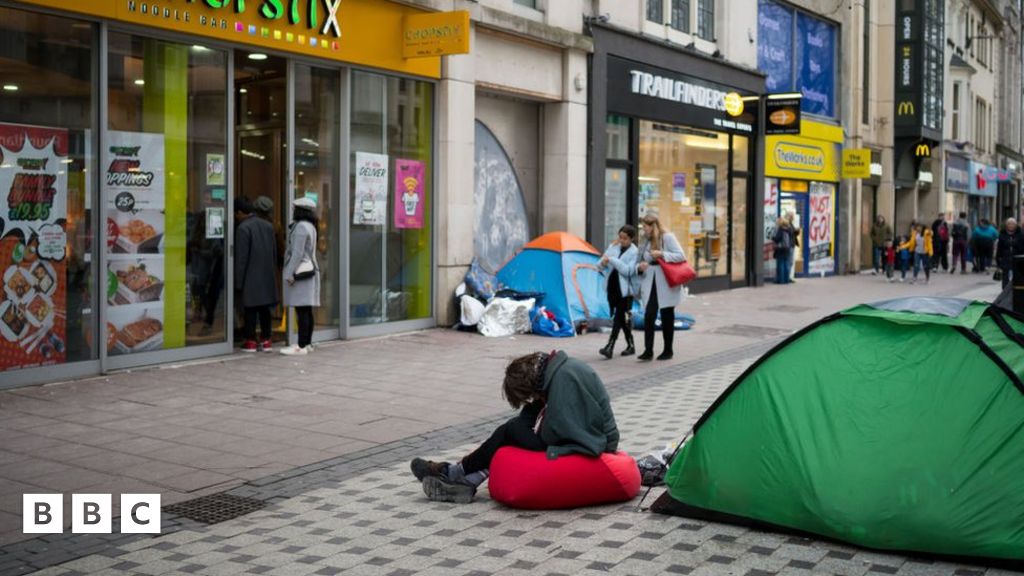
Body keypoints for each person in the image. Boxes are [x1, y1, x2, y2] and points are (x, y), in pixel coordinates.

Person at [410, 350, 620, 503]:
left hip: (594, 444)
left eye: (529, 394)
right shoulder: (558, 370)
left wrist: (534, 430)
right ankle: (466, 479)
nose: (533, 398)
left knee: (510, 431)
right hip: (591, 433)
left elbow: (563, 432)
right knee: (522, 421)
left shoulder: (563, 382)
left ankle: (455, 472)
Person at [636, 215, 686, 361]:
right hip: (650, 280)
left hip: (666, 280)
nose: (643, 229)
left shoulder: (667, 237)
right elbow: (640, 259)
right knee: (649, 314)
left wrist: (662, 254)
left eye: (645, 226)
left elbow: (681, 256)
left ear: (652, 226)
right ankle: (648, 350)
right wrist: (640, 266)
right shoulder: (645, 241)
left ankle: (668, 350)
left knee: (667, 315)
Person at [236, 196, 279, 352]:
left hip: (250, 275)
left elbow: (241, 258)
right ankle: (266, 340)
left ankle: (251, 341)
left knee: (250, 309)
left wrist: (238, 282)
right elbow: (274, 254)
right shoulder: (269, 227)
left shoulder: (244, 227)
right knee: (264, 309)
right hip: (266, 274)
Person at [280, 197, 320, 355]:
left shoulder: (301, 227)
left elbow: (297, 253)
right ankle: (307, 343)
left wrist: (289, 273)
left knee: (302, 310)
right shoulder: (311, 226)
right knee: (306, 310)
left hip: (300, 273)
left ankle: (301, 346)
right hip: (308, 271)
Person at [598, 225, 639, 359]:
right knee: (622, 319)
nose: (621, 240)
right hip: (612, 288)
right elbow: (599, 265)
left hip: (626, 291)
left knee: (619, 317)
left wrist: (612, 260)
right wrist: (603, 263)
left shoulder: (635, 252)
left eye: (625, 238)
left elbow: (628, 271)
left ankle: (609, 346)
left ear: (632, 239)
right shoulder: (613, 247)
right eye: (620, 237)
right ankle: (631, 345)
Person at [996, 217, 1024, 289]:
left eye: (1013, 224)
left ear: (1015, 225)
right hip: (1006, 257)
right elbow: (1000, 248)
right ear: (1006, 225)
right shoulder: (1002, 235)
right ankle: (1004, 290)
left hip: (1017, 258)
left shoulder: (1020, 235)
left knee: (1017, 275)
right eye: (1009, 224)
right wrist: (998, 259)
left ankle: (1015, 290)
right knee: (1005, 275)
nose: (1011, 226)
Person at [772, 216, 796, 285]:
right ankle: (786, 279)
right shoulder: (789, 229)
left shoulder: (781, 229)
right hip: (787, 248)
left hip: (780, 248)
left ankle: (781, 280)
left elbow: (777, 238)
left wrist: (773, 238)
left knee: (781, 264)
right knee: (786, 263)